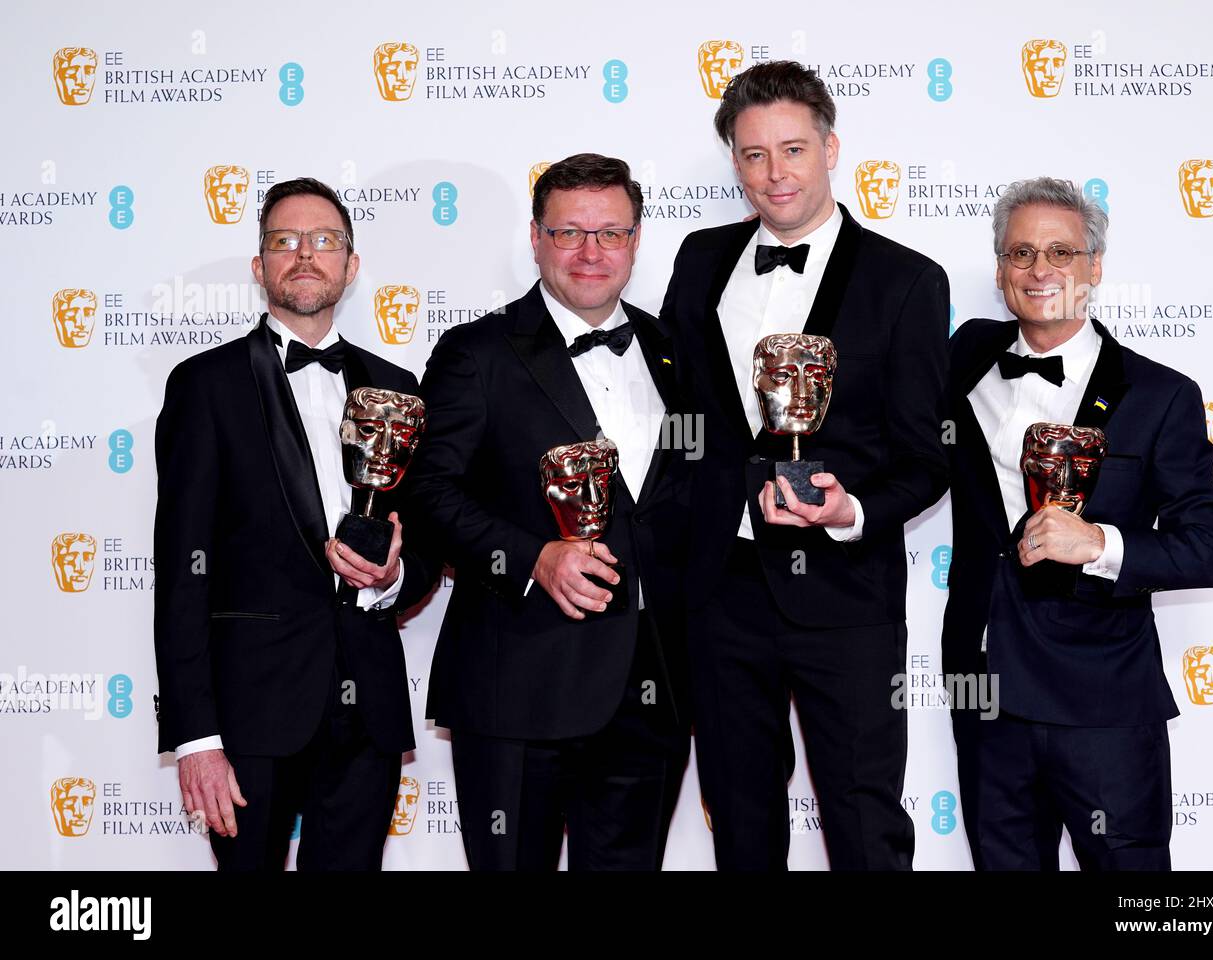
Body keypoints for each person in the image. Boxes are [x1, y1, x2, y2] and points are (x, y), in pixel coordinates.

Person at [659, 61, 950, 870]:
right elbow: (685, 426)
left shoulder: (906, 280)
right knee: (741, 816)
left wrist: (849, 511)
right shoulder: (700, 258)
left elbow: (926, 460)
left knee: (862, 818)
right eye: (753, 155)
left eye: (792, 149)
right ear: (734, 164)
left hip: (844, 595)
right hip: (721, 591)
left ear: (831, 149)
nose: (774, 173)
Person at [405, 153, 692, 870]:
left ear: (635, 240)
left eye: (611, 233)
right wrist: (533, 556)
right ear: (536, 239)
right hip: (517, 688)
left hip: (650, 690)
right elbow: (428, 493)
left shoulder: (674, 351)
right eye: (570, 233)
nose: (591, 253)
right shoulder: (477, 352)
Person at [944, 176, 1213, 870]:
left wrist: (1099, 543)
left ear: (1095, 267)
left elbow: (1208, 551)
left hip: (1102, 701)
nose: (1040, 270)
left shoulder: (1160, 395)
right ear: (1000, 270)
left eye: (1062, 253)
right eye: (1021, 254)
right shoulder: (959, 360)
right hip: (985, 694)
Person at [153, 176, 437, 871]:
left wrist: (392, 576)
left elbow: (428, 542)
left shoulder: (400, 388)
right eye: (284, 241)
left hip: (365, 708)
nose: (304, 255)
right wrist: (196, 739)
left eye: (324, 241)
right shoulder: (206, 385)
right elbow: (181, 570)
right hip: (249, 716)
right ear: (260, 266)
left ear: (351, 264)